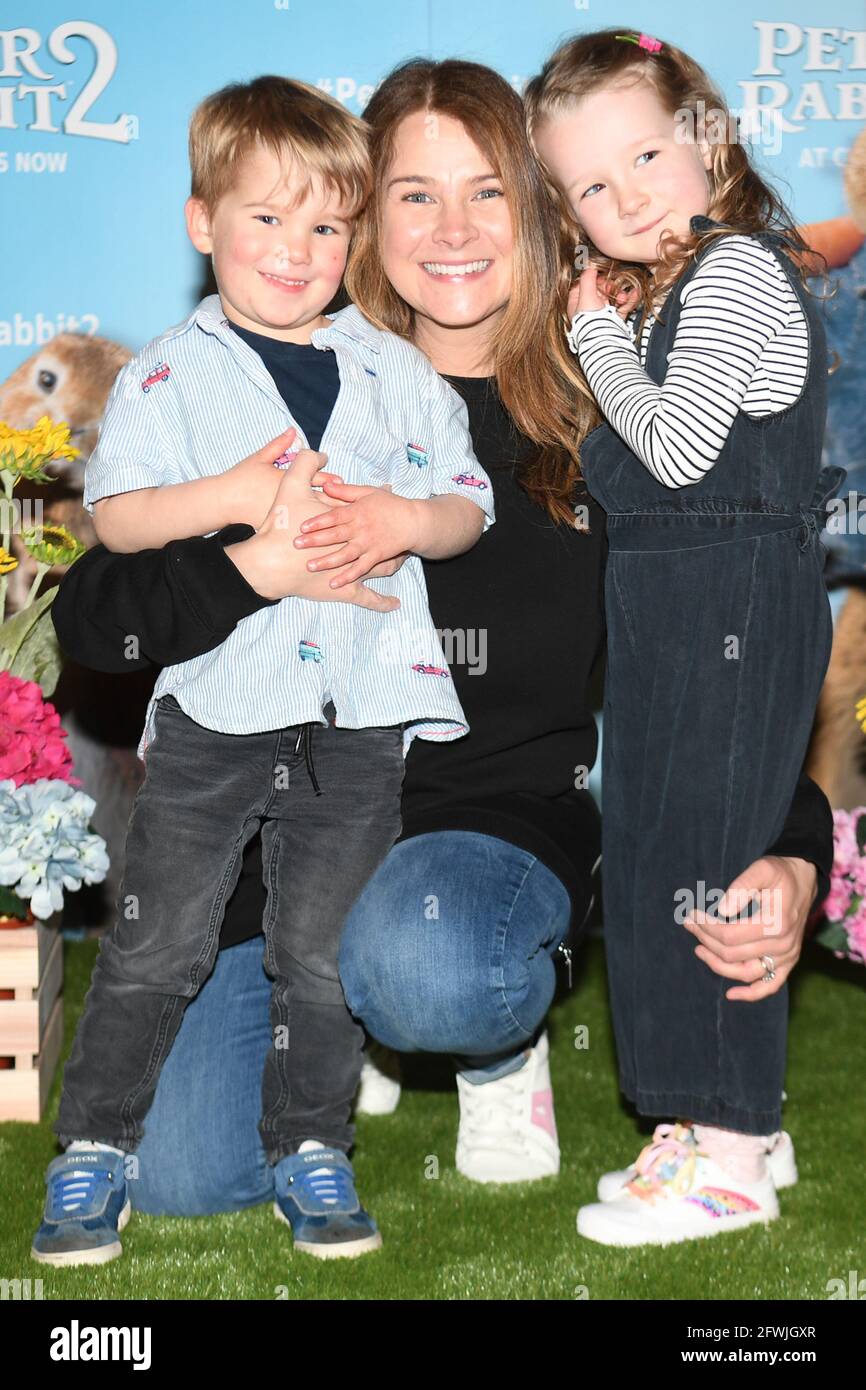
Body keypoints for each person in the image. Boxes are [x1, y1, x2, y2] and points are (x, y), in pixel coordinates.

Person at [48, 58, 832, 1226]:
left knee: (430, 960)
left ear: (543, 210)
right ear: (362, 213)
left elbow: (728, 644)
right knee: (178, 1175)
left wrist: (787, 847)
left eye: (488, 193)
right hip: (268, 833)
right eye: (414, 194)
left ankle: (485, 1041)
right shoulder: (279, 377)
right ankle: (328, 1007)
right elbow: (92, 623)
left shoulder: (611, 417)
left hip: (488, 839)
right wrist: (252, 562)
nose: (453, 229)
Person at [32, 74, 494, 1269]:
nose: (295, 251)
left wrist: (401, 516)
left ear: (354, 236)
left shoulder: (397, 372)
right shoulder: (167, 377)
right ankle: (93, 1147)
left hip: (359, 710)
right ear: (202, 224)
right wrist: (240, 507)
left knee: (323, 948)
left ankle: (309, 1145)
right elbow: (121, 519)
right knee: (156, 939)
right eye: (265, 220)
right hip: (218, 711)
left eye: (326, 226)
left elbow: (466, 511)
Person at [526, 26, 845, 1245]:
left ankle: (722, 1146)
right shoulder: (675, 285)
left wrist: (591, 331)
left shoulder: (735, 275)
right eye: (589, 187)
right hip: (668, 597)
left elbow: (670, 451)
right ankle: (714, 1125)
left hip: (729, 595)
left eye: (645, 154)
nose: (626, 196)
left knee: (702, 850)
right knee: (656, 847)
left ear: (707, 142)